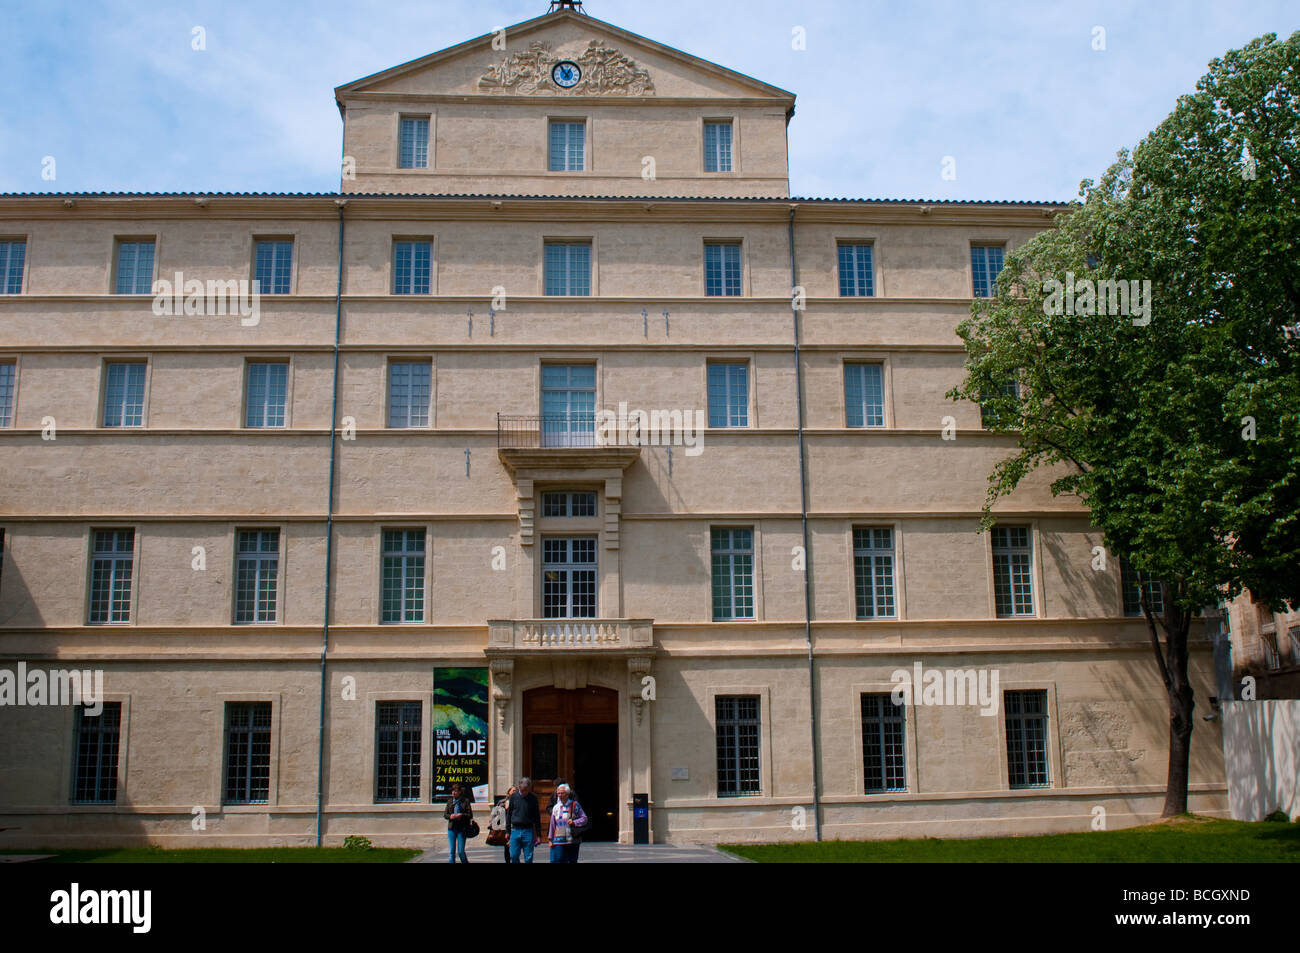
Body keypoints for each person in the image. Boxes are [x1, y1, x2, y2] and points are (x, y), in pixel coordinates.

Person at [547, 783, 588, 864]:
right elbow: (552, 824)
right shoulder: (556, 807)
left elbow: (584, 818)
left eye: (562, 793)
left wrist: (574, 822)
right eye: (558, 793)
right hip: (558, 841)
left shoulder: (575, 805)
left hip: (572, 840)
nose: (560, 795)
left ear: (567, 794)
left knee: (572, 860)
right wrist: (550, 839)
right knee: (558, 860)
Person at [506, 777, 541, 863]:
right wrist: (507, 831)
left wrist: (538, 834)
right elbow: (509, 814)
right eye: (522, 790)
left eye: (525, 790)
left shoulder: (533, 798)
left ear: (529, 788)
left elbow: (537, 817)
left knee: (528, 857)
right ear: (519, 787)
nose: (524, 792)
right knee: (513, 855)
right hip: (515, 829)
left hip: (528, 830)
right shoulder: (514, 797)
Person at [443, 782, 473, 864]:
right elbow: (445, 814)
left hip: (461, 828)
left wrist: (461, 815)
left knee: (460, 851)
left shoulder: (465, 801)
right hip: (452, 828)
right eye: (452, 791)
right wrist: (450, 816)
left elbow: (470, 815)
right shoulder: (450, 801)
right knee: (452, 851)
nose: (453, 793)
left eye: (455, 791)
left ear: (459, 792)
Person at [491, 786, 516, 862]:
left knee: (514, 845)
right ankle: (508, 860)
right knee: (507, 846)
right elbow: (495, 813)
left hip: (515, 826)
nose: (515, 792)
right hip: (505, 826)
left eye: (516, 791)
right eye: (513, 790)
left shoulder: (519, 801)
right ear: (509, 792)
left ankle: (514, 858)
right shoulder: (502, 802)